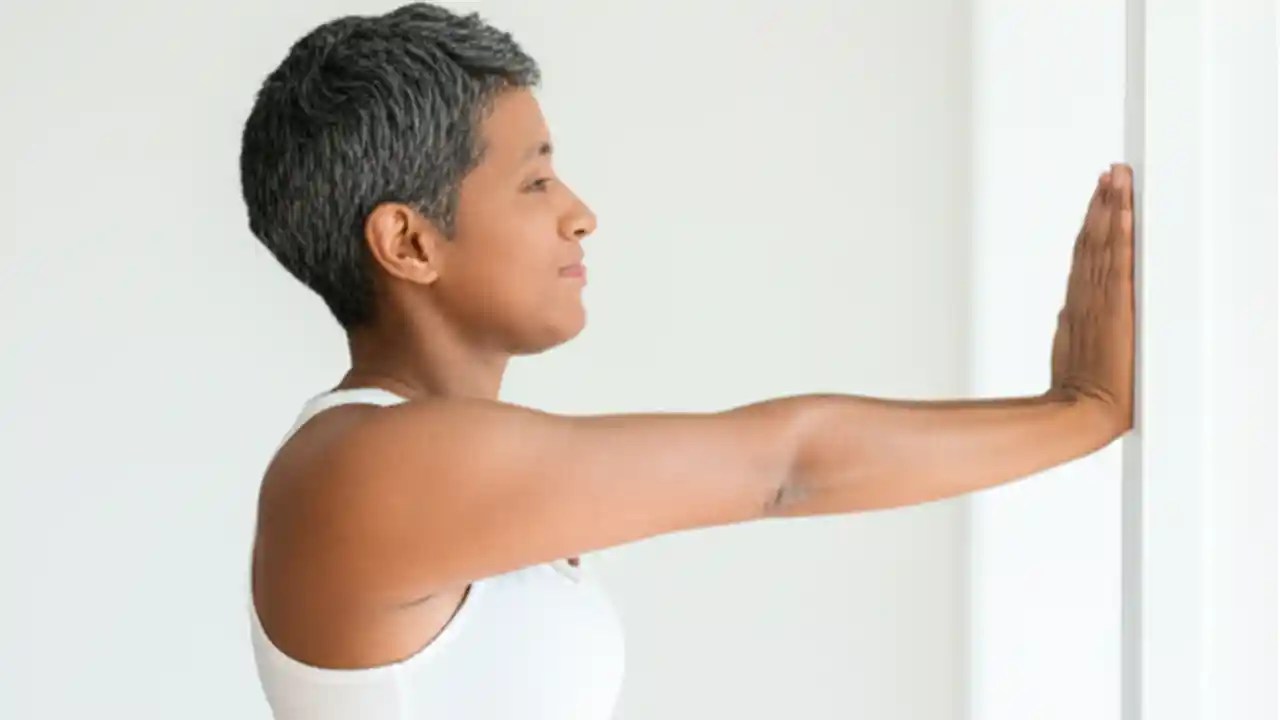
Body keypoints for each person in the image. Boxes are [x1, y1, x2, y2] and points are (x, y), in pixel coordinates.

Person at [239, 4, 1135, 718]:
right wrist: (1083, 409)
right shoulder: (372, 467)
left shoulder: (415, 458)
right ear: (408, 240)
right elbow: (784, 469)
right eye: (535, 180)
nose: (579, 212)